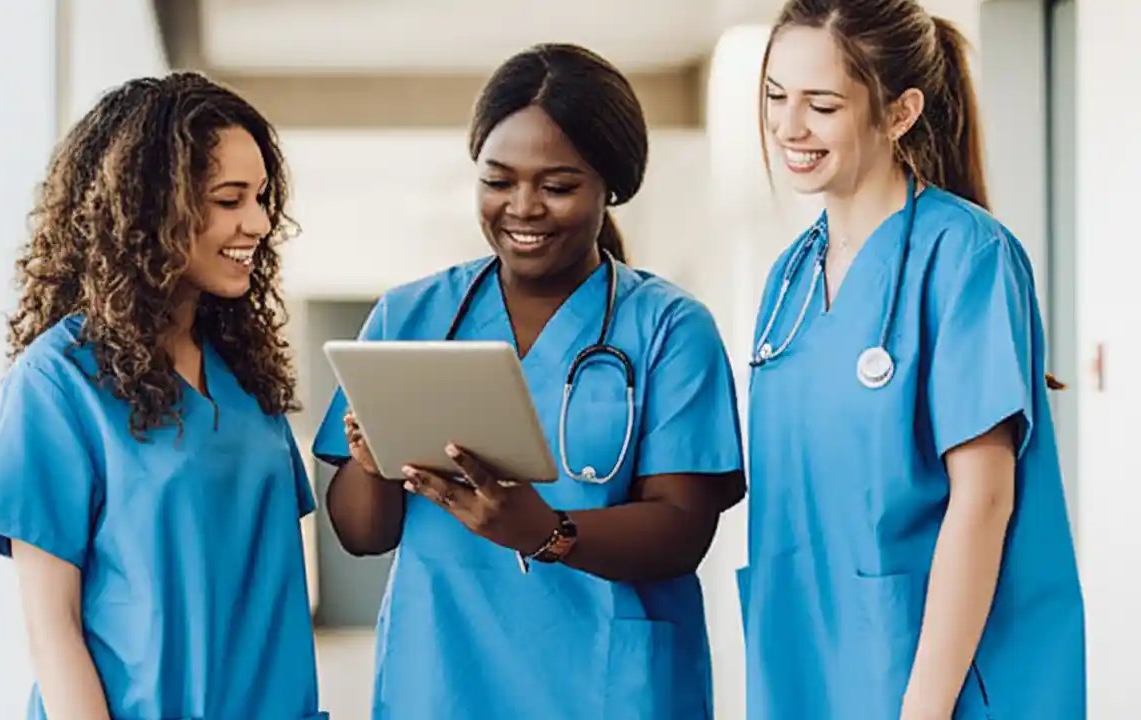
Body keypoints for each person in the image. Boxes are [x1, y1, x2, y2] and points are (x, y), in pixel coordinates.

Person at [312, 43, 746, 719]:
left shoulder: (670, 328)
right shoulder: (411, 314)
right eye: (498, 180)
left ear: (613, 185)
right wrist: (371, 464)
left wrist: (546, 531)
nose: (523, 207)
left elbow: (683, 529)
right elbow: (363, 536)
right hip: (443, 677)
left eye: (558, 185)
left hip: (607, 684)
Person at [739, 1, 1086, 718]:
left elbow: (984, 498)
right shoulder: (789, 281)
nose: (788, 127)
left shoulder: (967, 255)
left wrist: (922, 709)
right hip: (807, 665)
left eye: (822, 104)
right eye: (776, 95)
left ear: (899, 113)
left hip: (932, 681)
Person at [0, 72, 328, 720]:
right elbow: (53, 628)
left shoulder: (248, 380)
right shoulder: (59, 381)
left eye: (263, 196)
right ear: (150, 207)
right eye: (229, 199)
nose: (260, 220)